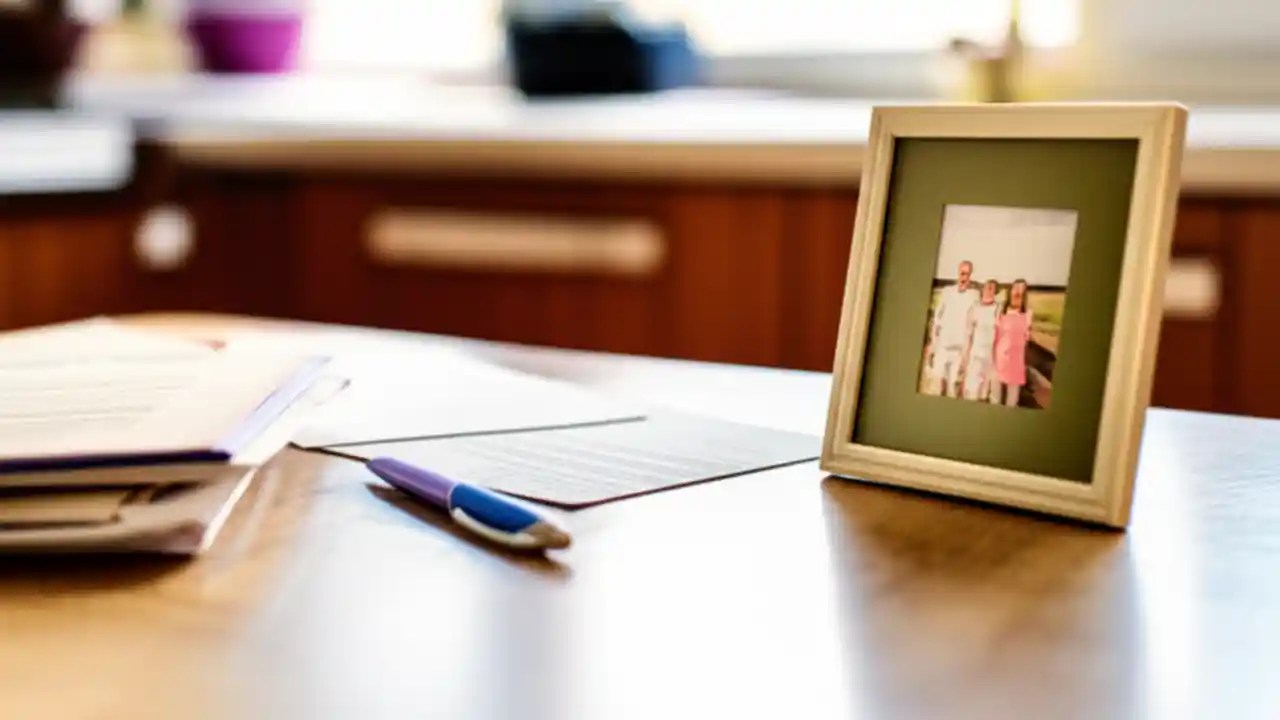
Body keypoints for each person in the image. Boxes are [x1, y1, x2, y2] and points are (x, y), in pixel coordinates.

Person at [928, 260, 979, 397]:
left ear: (970, 276)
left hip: (959, 351)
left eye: (967, 274)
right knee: (940, 388)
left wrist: (966, 356)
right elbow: (937, 320)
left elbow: (972, 328)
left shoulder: (973, 297)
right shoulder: (947, 292)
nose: (964, 277)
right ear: (958, 273)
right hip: (943, 348)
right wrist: (933, 346)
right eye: (962, 273)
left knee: (955, 391)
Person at [992, 278, 1032, 407]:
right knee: (995, 400)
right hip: (999, 361)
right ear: (1010, 291)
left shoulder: (1027, 315)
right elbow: (995, 337)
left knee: (1012, 402)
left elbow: (1026, 338)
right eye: (1015, 289)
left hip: (1016, 363)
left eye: (1021, 290)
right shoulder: (1001, 312)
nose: (1018, 292)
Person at [963, 279, 1001, 401]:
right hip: (976, 353)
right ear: (982, 289)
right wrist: (966, 354)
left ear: (995, 292)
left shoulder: (998, 308)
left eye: (992, 288)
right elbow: (968, 332)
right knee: (972, 390)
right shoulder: (974, 307)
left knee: (984, 393)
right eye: (987, 287)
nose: (989, 290)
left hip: (991, 356)